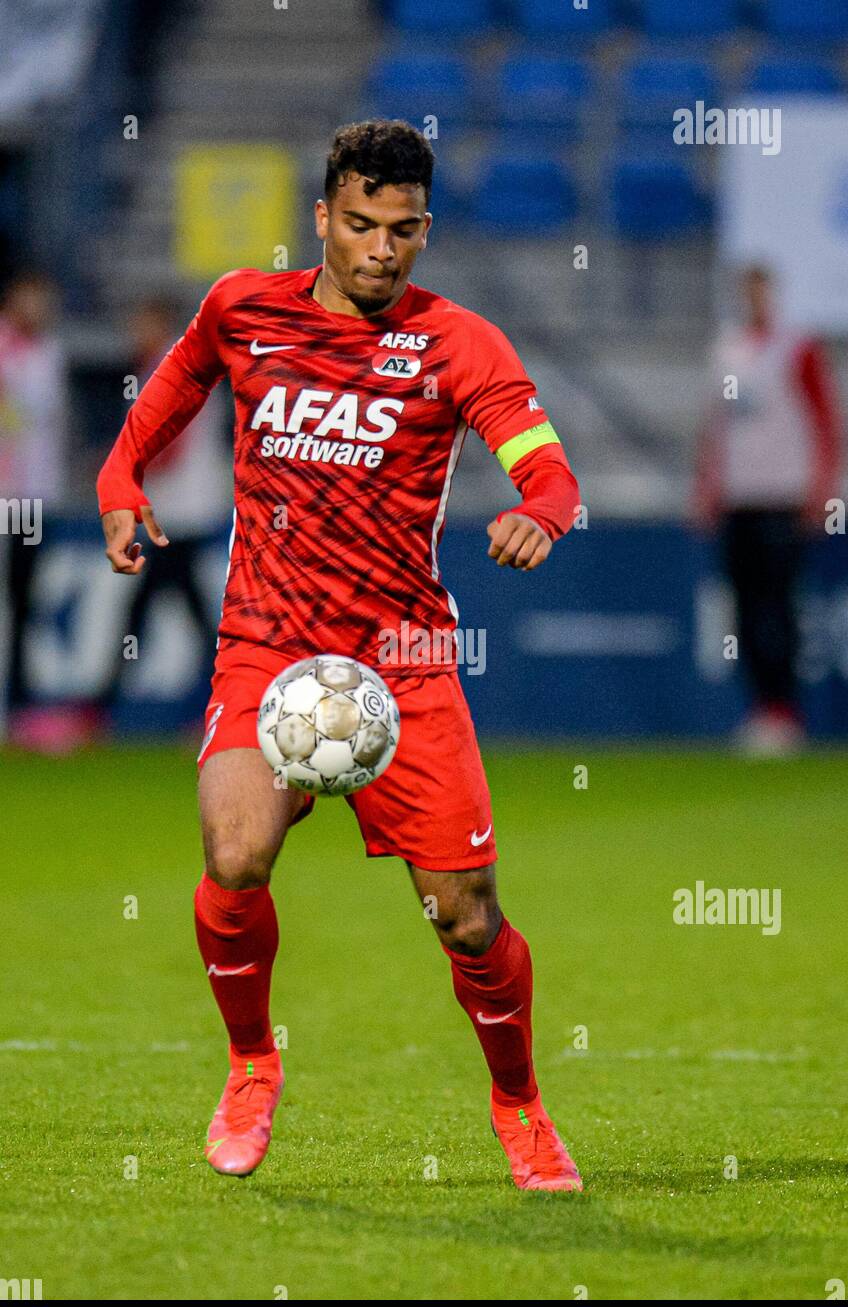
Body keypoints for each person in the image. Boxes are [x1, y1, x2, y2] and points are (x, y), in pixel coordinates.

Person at [96, 120, 583, 1192]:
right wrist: (120, 482)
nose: (381, 249)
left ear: (425, 231)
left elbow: (546, 469)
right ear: (321, 218)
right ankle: (250, 1062)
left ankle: (520, 1105)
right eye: (361, 225)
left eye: (403, 231)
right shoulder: (243, 308)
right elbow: (169, 392)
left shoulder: (461, 343)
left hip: (404, 658)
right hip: (266, 644)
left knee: (468, 916)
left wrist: (542, 512)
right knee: (233, 857)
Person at [694, 265, 843, 754]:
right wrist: (708, 485)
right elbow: (716, 426)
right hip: (740, 498)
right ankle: (760, 709)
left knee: (778, 608)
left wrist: (822, 490)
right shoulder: (727, 349)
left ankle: (785, 711)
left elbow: (825, 422)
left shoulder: (797, 348)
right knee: (744, 607)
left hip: (783, 495)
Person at [98, 296, 230, 714]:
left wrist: (120, 468)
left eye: (142, 321)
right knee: (177, 606)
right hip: (180, 509)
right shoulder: (167, 364)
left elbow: (170, 444)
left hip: (182, 509)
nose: (135, 331)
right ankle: (222, 694)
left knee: (144, 605)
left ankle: (104, 702)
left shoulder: (171, 366)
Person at [0, 268, 67, 747]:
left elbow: (54, 426)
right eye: (32, 297)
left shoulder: (49, 353)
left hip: (34, 497)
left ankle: (18, 705)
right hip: (6, 495)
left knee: (24, 600)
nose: (39, 308)